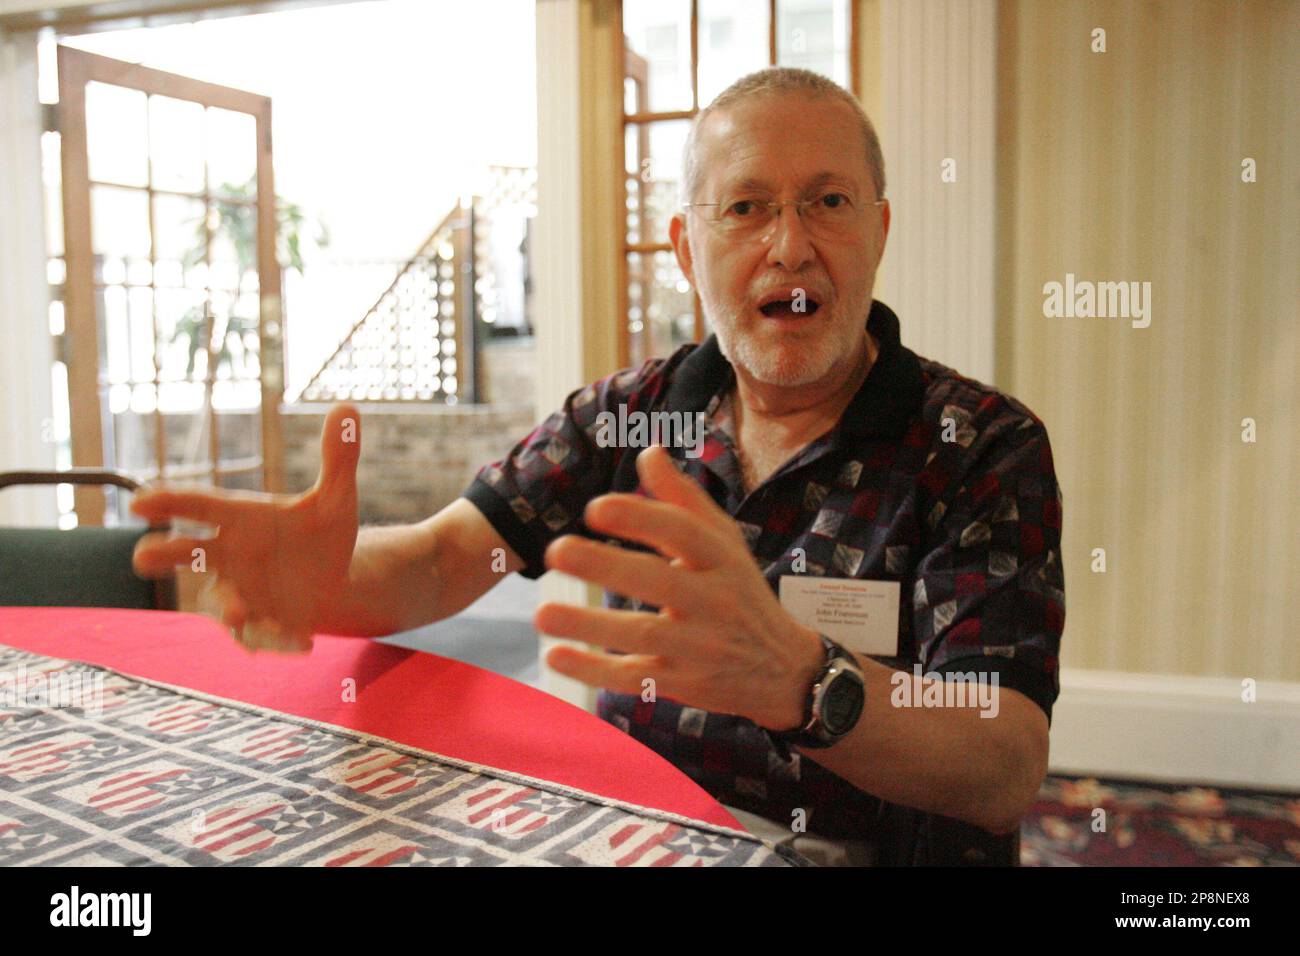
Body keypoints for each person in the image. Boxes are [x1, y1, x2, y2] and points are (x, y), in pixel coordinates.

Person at [133, 67, 1063, 866]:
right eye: (746, 207)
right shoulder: (624, 419)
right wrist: (325, 581)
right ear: (687, 250)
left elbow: (1003, 765)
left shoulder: (980, 442)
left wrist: (801, 681)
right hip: (629, 836)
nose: (790, 245)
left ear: (880, 229)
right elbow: (447, 560)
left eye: (828, 202)